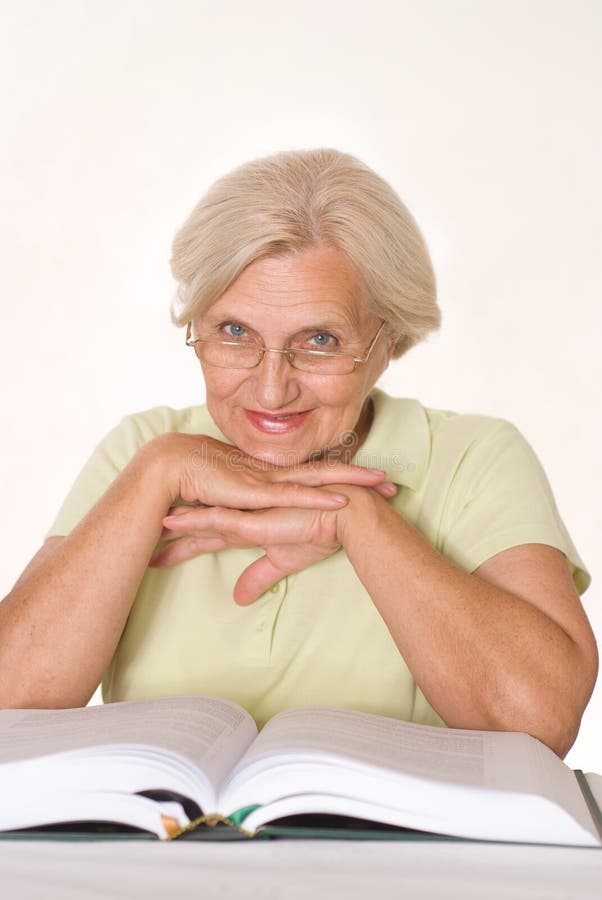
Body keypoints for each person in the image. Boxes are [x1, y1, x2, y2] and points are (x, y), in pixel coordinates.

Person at [0, 148, 597, 758]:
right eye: (235, 333)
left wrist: (353, 517)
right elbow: (9, 698)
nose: (270, 389)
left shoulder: (474, 458)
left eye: (319, 340)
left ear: (386, 341)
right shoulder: (142, 451)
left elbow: (540, 719)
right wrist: (157, 472)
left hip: (403, 856)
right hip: (169, 845)